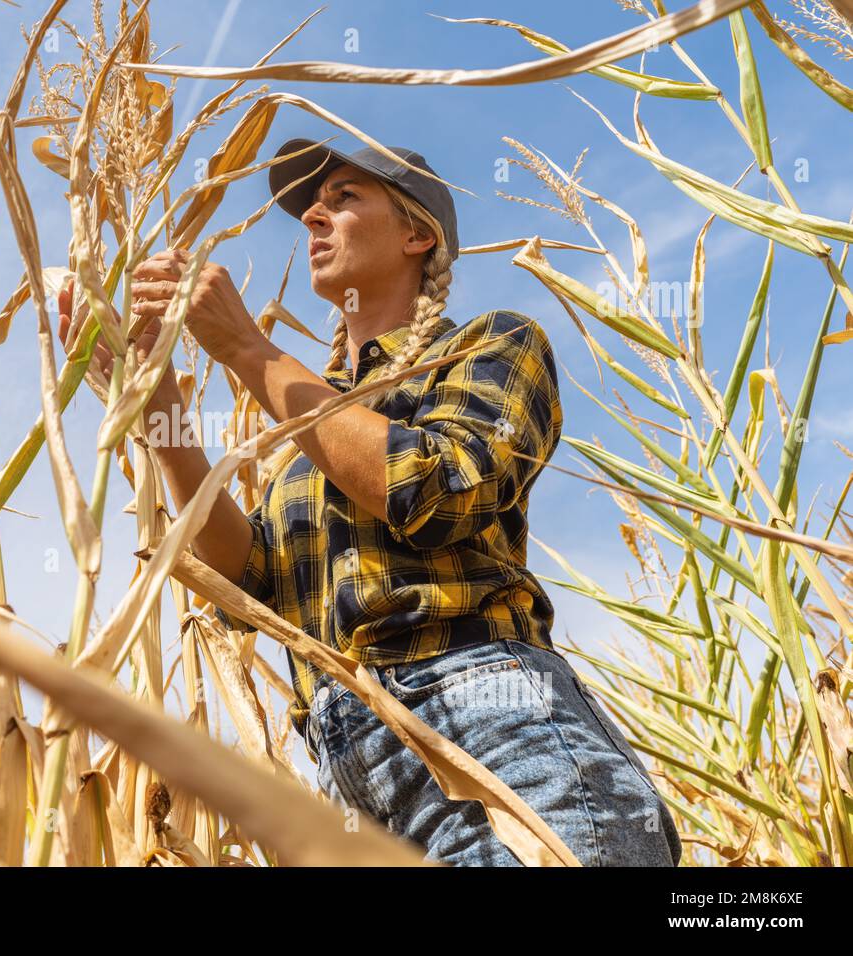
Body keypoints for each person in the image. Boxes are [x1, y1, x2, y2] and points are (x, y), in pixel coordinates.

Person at [58, 138, 682, 867]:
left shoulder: (491, 345)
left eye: (344, 198)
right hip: (347, 781)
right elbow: (244, 586)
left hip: (491, 727)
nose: (315, 218)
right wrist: (160, 412)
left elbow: (436, 489)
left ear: (419, 236)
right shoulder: (305, 449)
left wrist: (246, 350)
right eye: (311, 209)